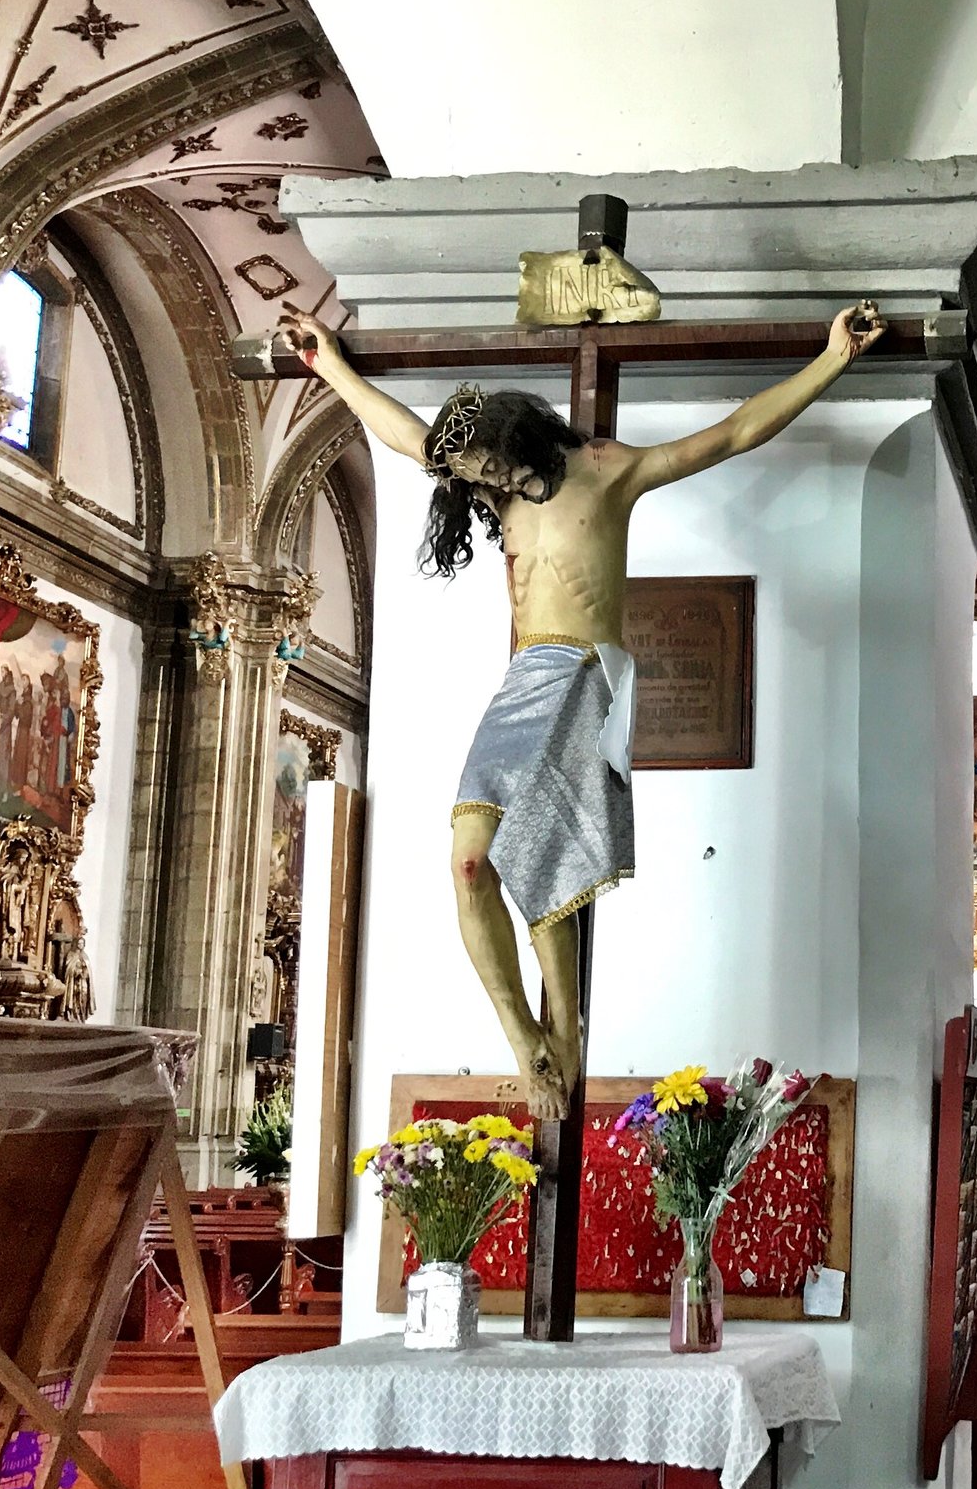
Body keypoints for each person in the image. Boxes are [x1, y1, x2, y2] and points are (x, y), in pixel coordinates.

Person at [281, 302, 883, 1121]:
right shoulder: (492, 483)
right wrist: (332, 369)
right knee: (467, 863)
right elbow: (403, 431)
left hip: (585, 670)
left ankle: (564, 1033)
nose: (486, 488)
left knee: (538, 852)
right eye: (478, 478)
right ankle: (523, 1031)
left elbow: (735, 433)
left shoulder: (607, 469)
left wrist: (831, 357)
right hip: (521, 678)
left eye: (496, 470)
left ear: (523, 443)